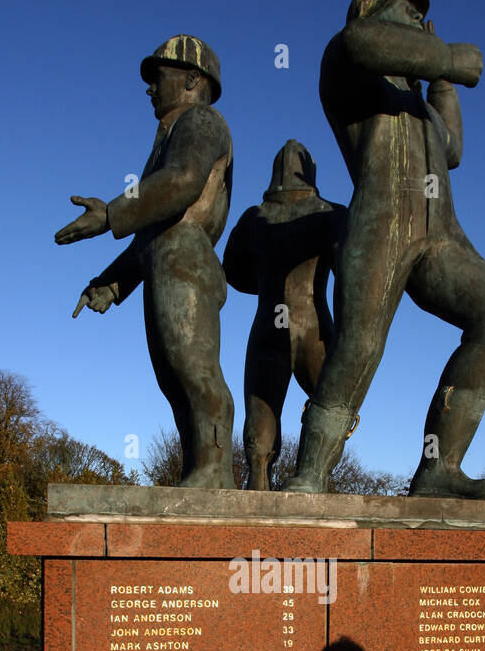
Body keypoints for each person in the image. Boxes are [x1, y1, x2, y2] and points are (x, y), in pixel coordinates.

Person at [284, 0, 485, 499]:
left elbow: (453, 150)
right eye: (407, 9)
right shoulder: (349, 61)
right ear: (370, 12)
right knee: (360, 345)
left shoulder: (417, 103)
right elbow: (363, 43)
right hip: (380, 224)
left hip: (442, 234)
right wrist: (446, 56)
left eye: (422, 14)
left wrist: (442, 81)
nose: (419, 17)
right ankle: (311, 471)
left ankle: (440, 468)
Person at [54, 35, 236, 488]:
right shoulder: (170, 132)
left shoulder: (201, 120)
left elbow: (183, 181)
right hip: (166, 259)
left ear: (192, 79)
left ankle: (215, 471)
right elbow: (151, 232)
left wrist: (111, 215)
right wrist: (112, 282)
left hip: (187, 258)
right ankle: (199, 470)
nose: (150, 88)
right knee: (174, 383)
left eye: (159, 77)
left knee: (194, 371)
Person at [223, 141, 345, 489]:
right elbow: (351, 272)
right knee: (332, 404)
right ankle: (311, 478)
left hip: (268, 324)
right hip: (315, 327)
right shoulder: (331, 214)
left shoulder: (253, 218)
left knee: (261, 406)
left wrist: (265, 282)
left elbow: (231, 271)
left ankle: (258, 481)